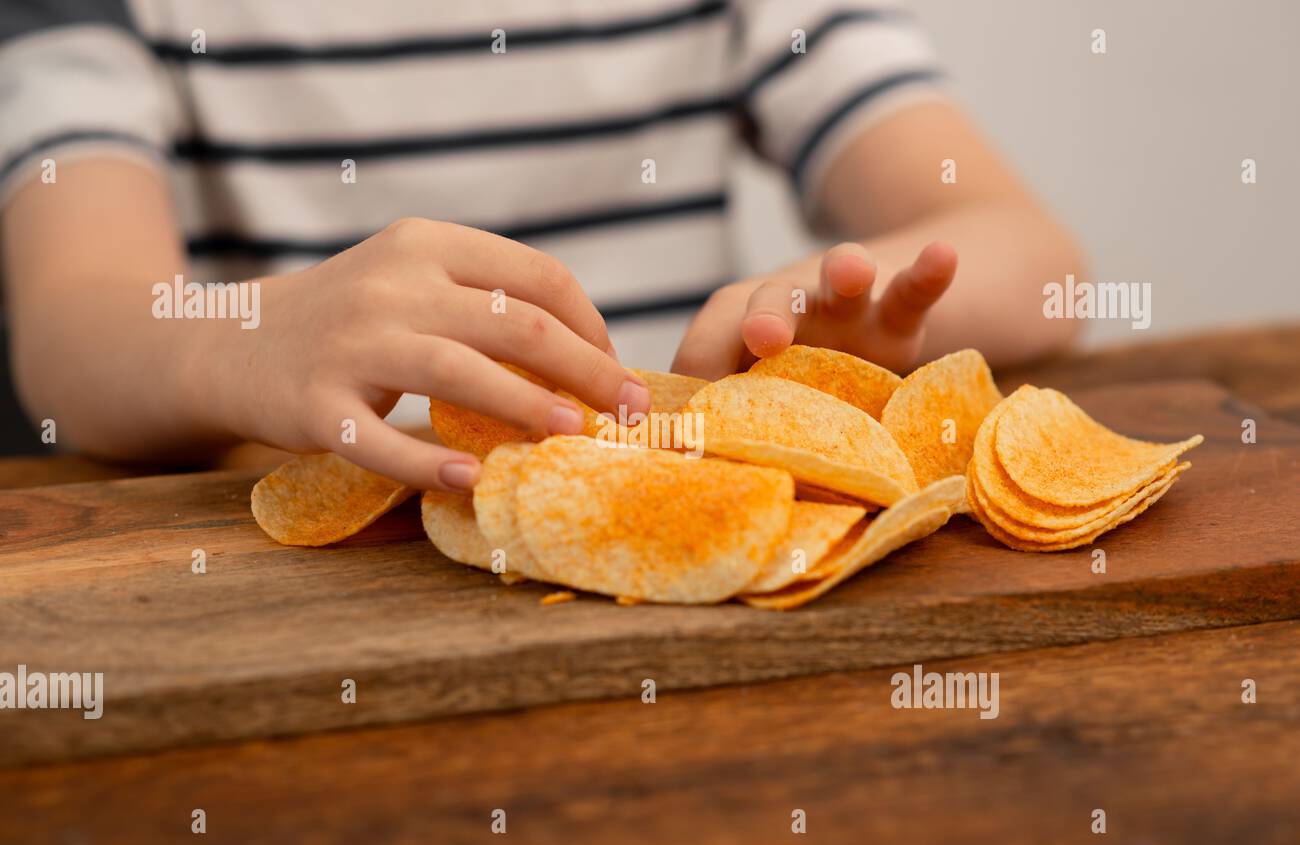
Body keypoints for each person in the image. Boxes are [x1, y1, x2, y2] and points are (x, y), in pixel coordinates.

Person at [0, 0, 1083, 491]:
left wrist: (843, 321)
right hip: (319, 617)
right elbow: (71, 325)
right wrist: (241, 338)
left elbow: (1032, 256)